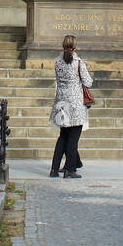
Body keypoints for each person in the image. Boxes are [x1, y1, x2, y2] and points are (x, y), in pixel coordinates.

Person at [49, 35, 93, 179]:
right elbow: (88, 82)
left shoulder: (58, 61)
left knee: (63, 136)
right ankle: (69, 169)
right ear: (75, 46)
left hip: (62, 102)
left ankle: (54, 169)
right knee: (73, 138)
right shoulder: (78, 62)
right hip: (75, 103)